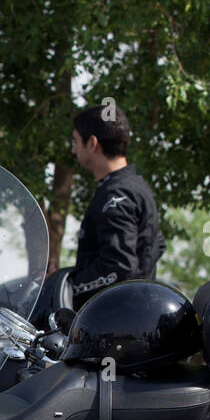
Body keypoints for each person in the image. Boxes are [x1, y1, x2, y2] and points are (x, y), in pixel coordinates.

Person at [68, 102, 165, 306]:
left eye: (76, 141)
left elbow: (118, 269)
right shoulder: (135, 186)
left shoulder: (117, 194)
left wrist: (68, 288)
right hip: (132, 314)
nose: (74, 150)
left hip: (116, 321)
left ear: (92, 143)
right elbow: (157, 244)